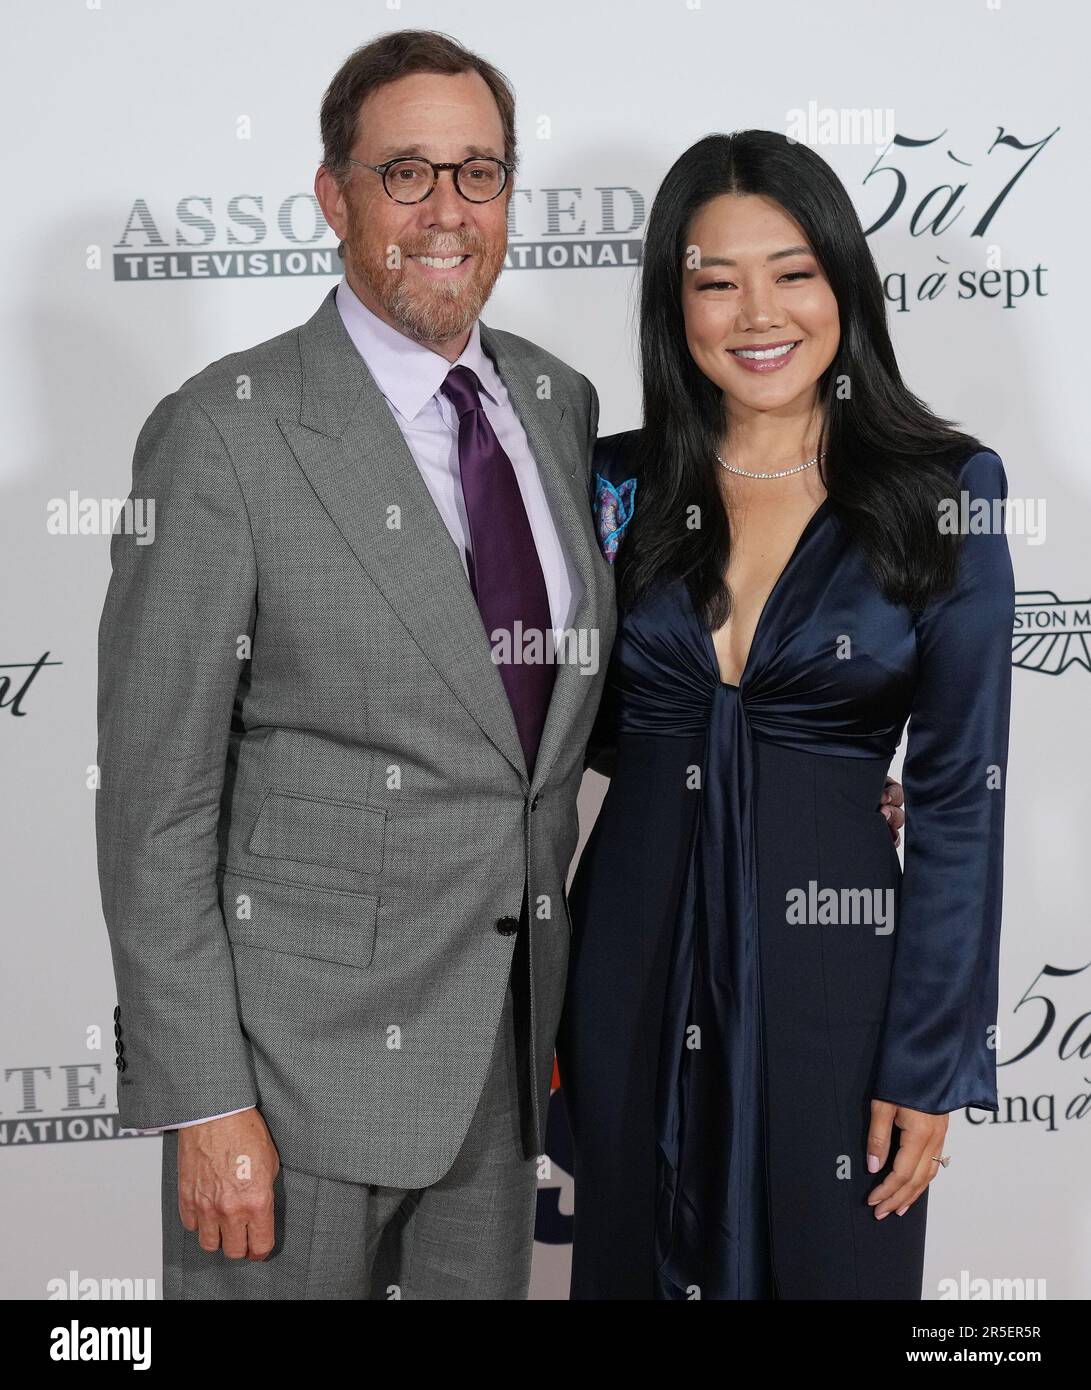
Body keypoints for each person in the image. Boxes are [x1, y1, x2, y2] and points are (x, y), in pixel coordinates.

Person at [96, 30, 617, 1300]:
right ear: (334, 196)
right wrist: (205, 1101)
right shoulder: (225, 434)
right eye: (406, 174)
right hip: (288, 1087)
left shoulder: (556, 404)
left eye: (478, 173)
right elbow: (154, 805)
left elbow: (535, 730)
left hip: (499, 1060)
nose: (448, 210)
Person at [557, 129, 1014, 1300]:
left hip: (837, 983)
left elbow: (960, 790)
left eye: (791, 271)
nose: (756, 312)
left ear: (842, 285)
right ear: (675, 303)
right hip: (627, 964)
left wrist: (928, 1060)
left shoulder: (942, 488)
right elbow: (544, 725)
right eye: (715, 281)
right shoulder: (606, 480)